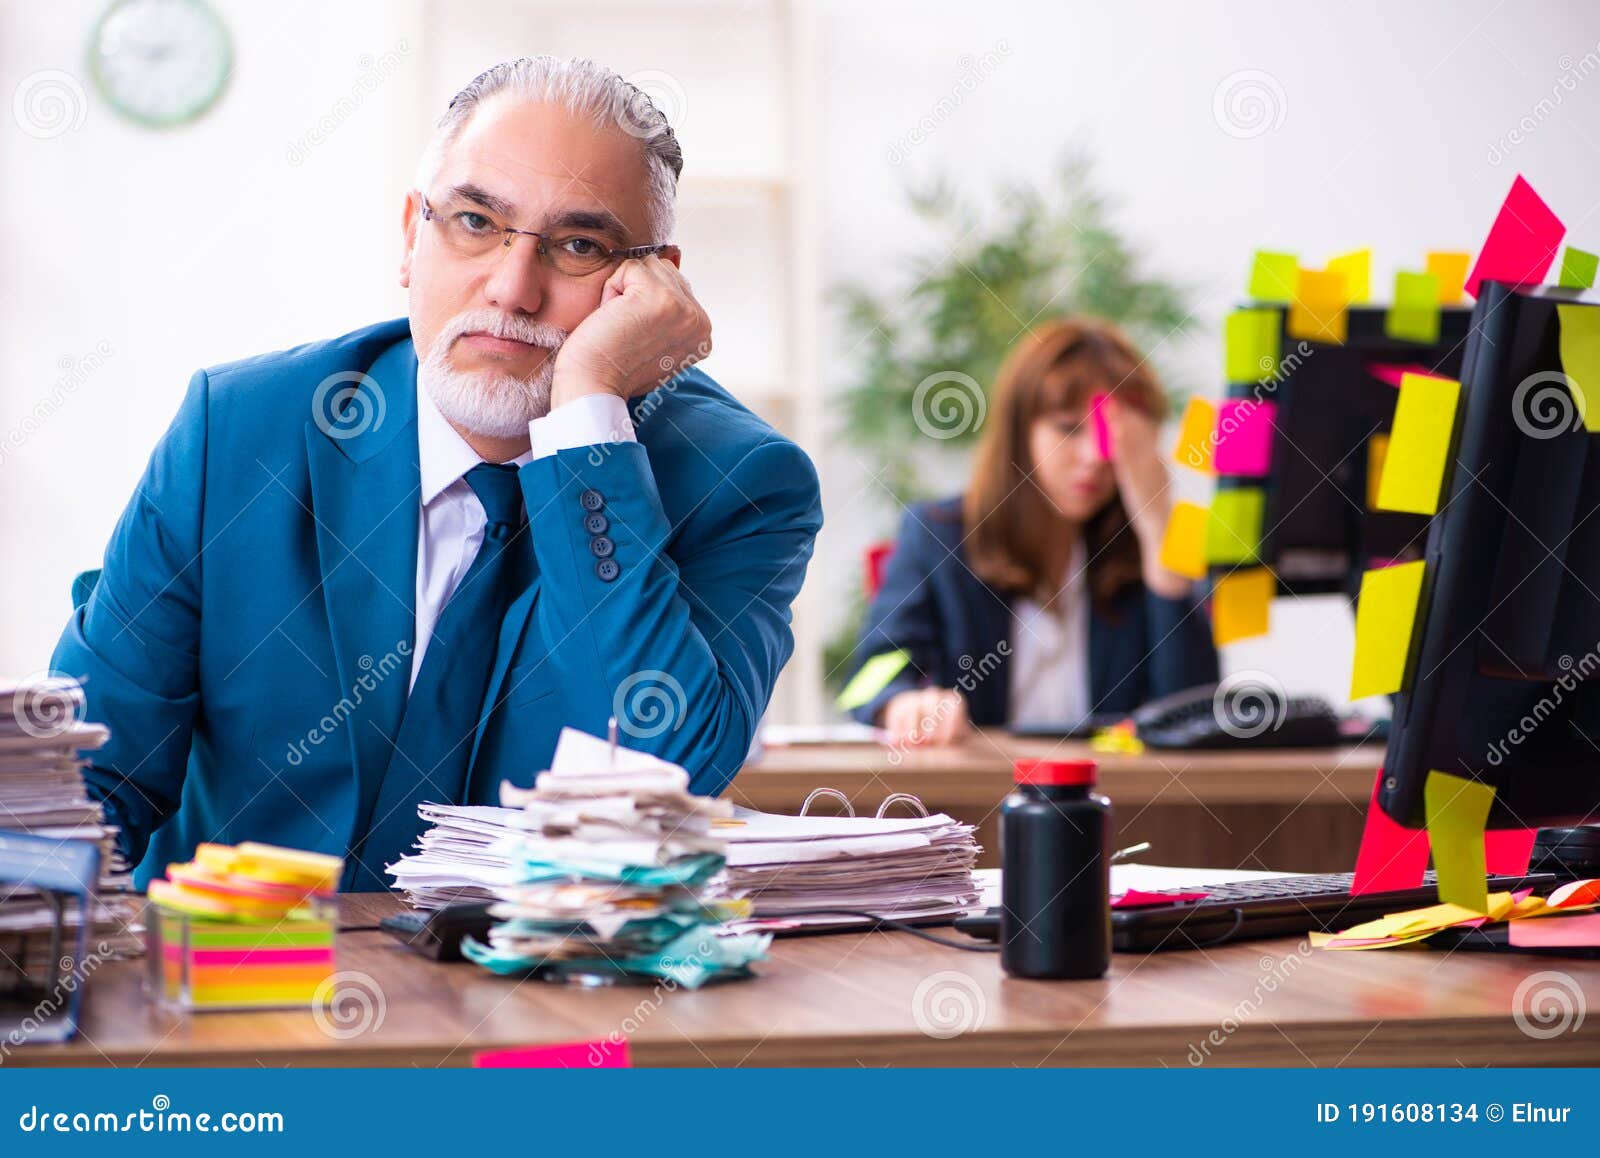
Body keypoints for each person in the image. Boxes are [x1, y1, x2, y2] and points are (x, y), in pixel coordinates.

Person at [52, 57, 822, 890]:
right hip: (240, 993)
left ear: (651, 283)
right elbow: (84, 782)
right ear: (411, 237)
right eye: (475, 222)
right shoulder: (239, 433)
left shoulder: (741, 485)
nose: (512, 287)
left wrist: (586, 418)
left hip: (541, 1002)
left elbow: (666, 772)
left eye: (578, 245)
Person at [846, 317, 1215, 746]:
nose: (1095, 457)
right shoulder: (936, 536)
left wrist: (1158, 534)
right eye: (1068, 428)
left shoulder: (1150, 554)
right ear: (1020, 433)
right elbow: (868, 679)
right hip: (974, 800)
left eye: (1111, 436)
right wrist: (901, 702)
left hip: (1110, 802)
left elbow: (1196, 722)